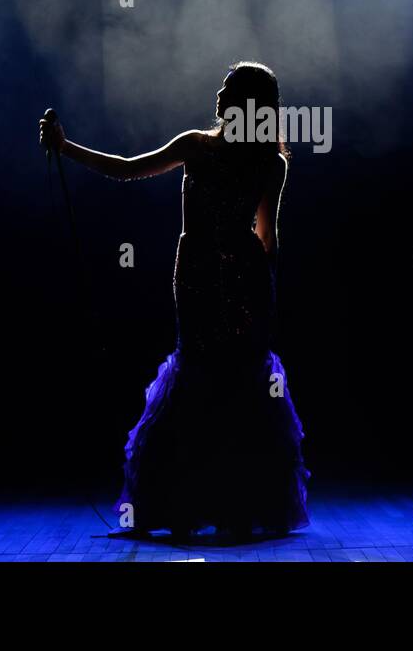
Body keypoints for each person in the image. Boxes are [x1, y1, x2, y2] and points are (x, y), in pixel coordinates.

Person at [39, 62, 309, 541]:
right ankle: (215, 504)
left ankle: (220, 504)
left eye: (229, 87)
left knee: (225, 377)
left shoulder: (267, 162)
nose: (220, 91)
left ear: (247, 103)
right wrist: (66, 148)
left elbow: (268, 236)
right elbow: (128, 170)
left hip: (231, 277)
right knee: (210, 373)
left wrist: (267, 299)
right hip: (202, 277)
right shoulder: (199, 147)